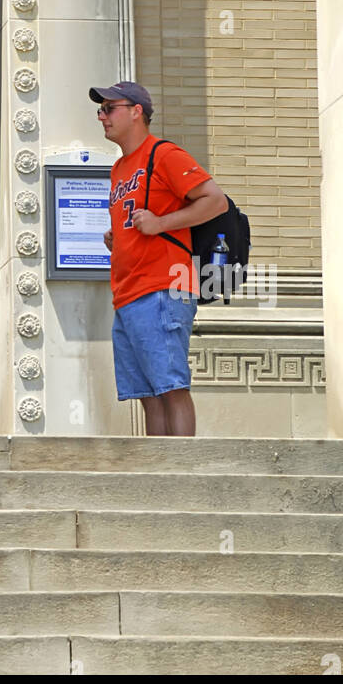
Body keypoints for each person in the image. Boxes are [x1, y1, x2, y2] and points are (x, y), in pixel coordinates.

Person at [91, 81, 228, 436]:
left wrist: (161, 223)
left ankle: (181, 480)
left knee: (170, 388)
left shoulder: (164, 154)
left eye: (109, 108)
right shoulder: (119, 169)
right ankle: (158, 477)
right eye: (100, 109)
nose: (101, 115)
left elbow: (215, 200)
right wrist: (118, 238)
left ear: (137, 111)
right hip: (129, 293)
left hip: (164, 288)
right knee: (149, 396)